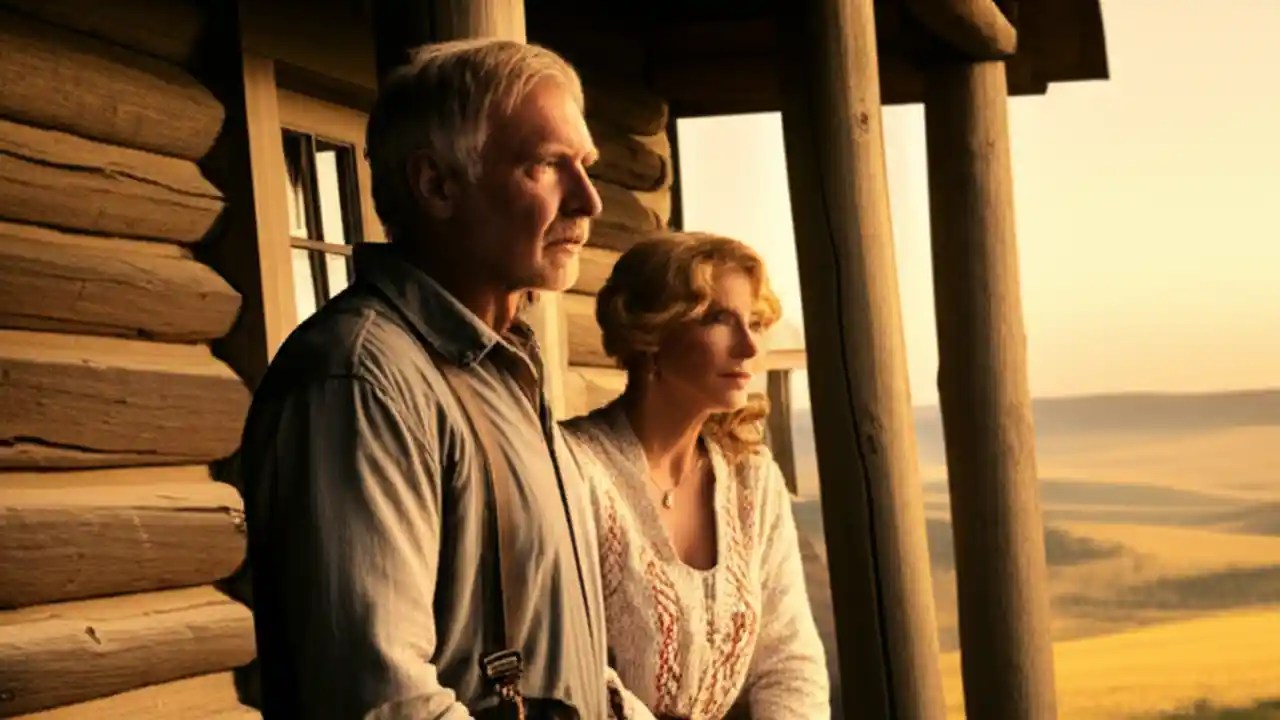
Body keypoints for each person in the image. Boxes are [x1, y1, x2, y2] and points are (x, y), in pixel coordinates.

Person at [238, 38, 645, 719]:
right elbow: (381, 701)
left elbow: (559, 654)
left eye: (587, 166)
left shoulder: (502, 368)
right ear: (436, 185)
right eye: (547, 165)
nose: (589, 201)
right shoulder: (361, 382)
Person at [562, 233, 830, 720]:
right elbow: (571, 668)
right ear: (651, 334)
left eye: (754, 322)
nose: (748, 346)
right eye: (718, 319)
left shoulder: (752, 480)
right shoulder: (573, 471)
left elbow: (790, 660)